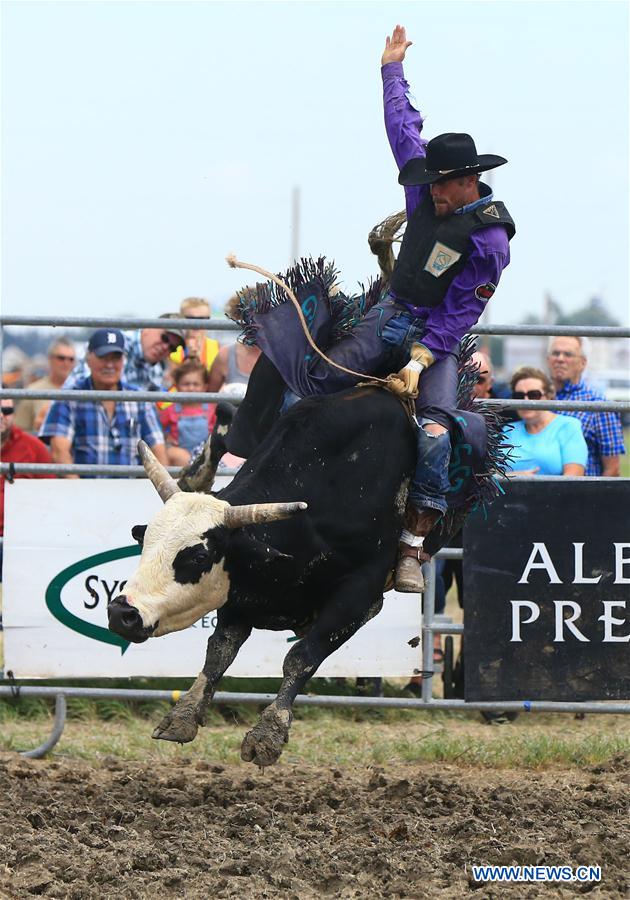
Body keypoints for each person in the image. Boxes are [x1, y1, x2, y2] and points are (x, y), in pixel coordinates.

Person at [229, 25, 515, 594]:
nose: (428, 191)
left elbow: (461, 312)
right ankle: (263, 476)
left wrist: (423, 357)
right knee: (309, 379)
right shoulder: (426, 183)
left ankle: (411, 545)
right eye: (428, 180)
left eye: (438, 184)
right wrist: (391, 70)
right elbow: (402, 127)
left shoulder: (489, 240)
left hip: (433, 334)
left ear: (466, 181)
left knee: (437, 433)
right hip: (390, 311)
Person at [39, 328, 167, 474]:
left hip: (130, 491)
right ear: (88, 360)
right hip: (84, 490)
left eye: (116, 358)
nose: (110, 365)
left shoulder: (140, 399)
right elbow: (59, 452)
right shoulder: (69, 399)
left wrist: (148, 492)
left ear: (123, 361)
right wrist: (76, 489)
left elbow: (158, 452)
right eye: (103, 357)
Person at [547, 336, 625, 476]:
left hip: (581, 494)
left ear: (583, 363)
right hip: (538, 493)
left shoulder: (599, 405)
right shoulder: (537, 398)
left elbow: (612, 468)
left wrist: (595, 497)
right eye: (555, 353)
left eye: (568, 354)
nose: (560, 359)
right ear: (548, 360)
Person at [0, 402, 54, 577]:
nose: (1, 415)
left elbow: (51, 497)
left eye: (6, 411)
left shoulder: (34, 447)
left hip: (19, 543)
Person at [502, 366, 587, 476]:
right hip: (511, 493)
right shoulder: (507, 430)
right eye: (519, 396)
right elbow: (490, 476)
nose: (525, 401)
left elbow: (574, 477)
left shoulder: (568, 426)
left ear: (548, 396)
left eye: (534, 395)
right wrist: (516, 477)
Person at [65, 316, 185, 392]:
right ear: (148, 328)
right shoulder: (115, 342)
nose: (165, 347)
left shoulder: (157, 370)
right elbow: (87, 388)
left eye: (172, 348)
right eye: (164, 338)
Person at [159, 359, 217, 466]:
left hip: (205, 455)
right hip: (180, 458)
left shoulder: (211, 409)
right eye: (186, 384)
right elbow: (158, 429)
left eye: (196, 384)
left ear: (205, 387)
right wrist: (167, 438)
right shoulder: (170, 410)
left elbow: (219, 432)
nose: (191, 388)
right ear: (176, 386)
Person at [13, 337, 76, 434]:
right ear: (50, 359)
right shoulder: (32, 392)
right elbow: (18, 432)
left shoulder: (81, 390)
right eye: (61, 358)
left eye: (71, 359)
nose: (66, 363)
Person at [208, 296, 261, 394]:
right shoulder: (225, 355)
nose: (255, 321)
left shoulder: (279, 355)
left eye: (261, 314)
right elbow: (211, 397)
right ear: (239, 318)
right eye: (249, 316)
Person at [169, 297, 221, 373]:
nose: (196, 324)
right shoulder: (170, 346)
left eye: (202, 319)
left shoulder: (218, 348)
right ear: (181, 319)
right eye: (190, 319)